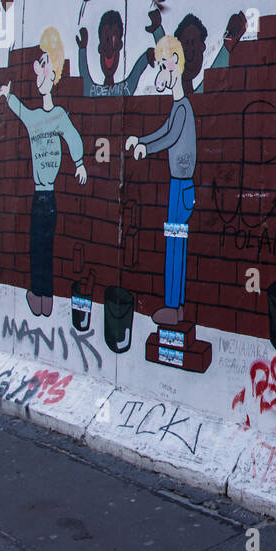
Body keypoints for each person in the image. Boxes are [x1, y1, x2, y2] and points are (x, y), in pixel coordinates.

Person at [0, 27, 87, 317]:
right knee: (36, 245)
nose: (39, 73)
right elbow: (21, 112)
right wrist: (9, 96)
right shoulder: (35, 118)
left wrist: (80, 163)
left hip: (48, 197)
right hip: (39, 196)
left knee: (44, 246)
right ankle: (38, 295)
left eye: (44, 67)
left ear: (54, 74)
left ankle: (45, 298)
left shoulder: (58, 115)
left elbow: (73, 137)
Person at [126, 20, 205, 326]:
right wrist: (142, 140)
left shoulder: (183, 107)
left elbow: (170, 137)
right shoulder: (178, 107)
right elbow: (164, 131)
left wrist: (148, 147)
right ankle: (175, 304)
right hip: (179, 187)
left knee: (175, 246)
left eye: (162, 65)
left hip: (182, 187)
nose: (160, 72)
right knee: (175, 244)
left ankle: (174, 306)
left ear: (174, 64)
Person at [76, 9, 155, 97]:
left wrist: (146, 57)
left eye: (114, 36)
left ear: (119, 45)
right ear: (100, 48)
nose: (110, 44)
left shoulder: (123, 90)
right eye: (106, 38)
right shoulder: (95, 91)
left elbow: (135, 74)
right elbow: (85, 82)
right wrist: (82, 49)